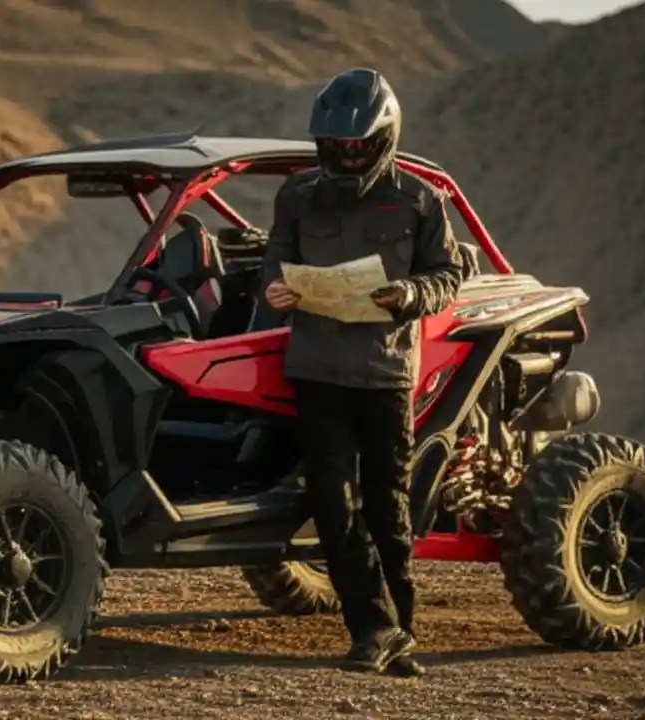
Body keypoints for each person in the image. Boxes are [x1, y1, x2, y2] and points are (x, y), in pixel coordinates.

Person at [258, 67, 463, 676]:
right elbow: (276, 259)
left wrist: (408, 295)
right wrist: (275, 288)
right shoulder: (296, 195)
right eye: (336, 144)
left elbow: (449, 279)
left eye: (358, 144)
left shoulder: (422, 201)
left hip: (384, 375)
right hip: (317, 370)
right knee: (331, 503)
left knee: (387, 507)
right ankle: (373, 629)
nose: (347, 155)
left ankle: (400, 631)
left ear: (384, 137)